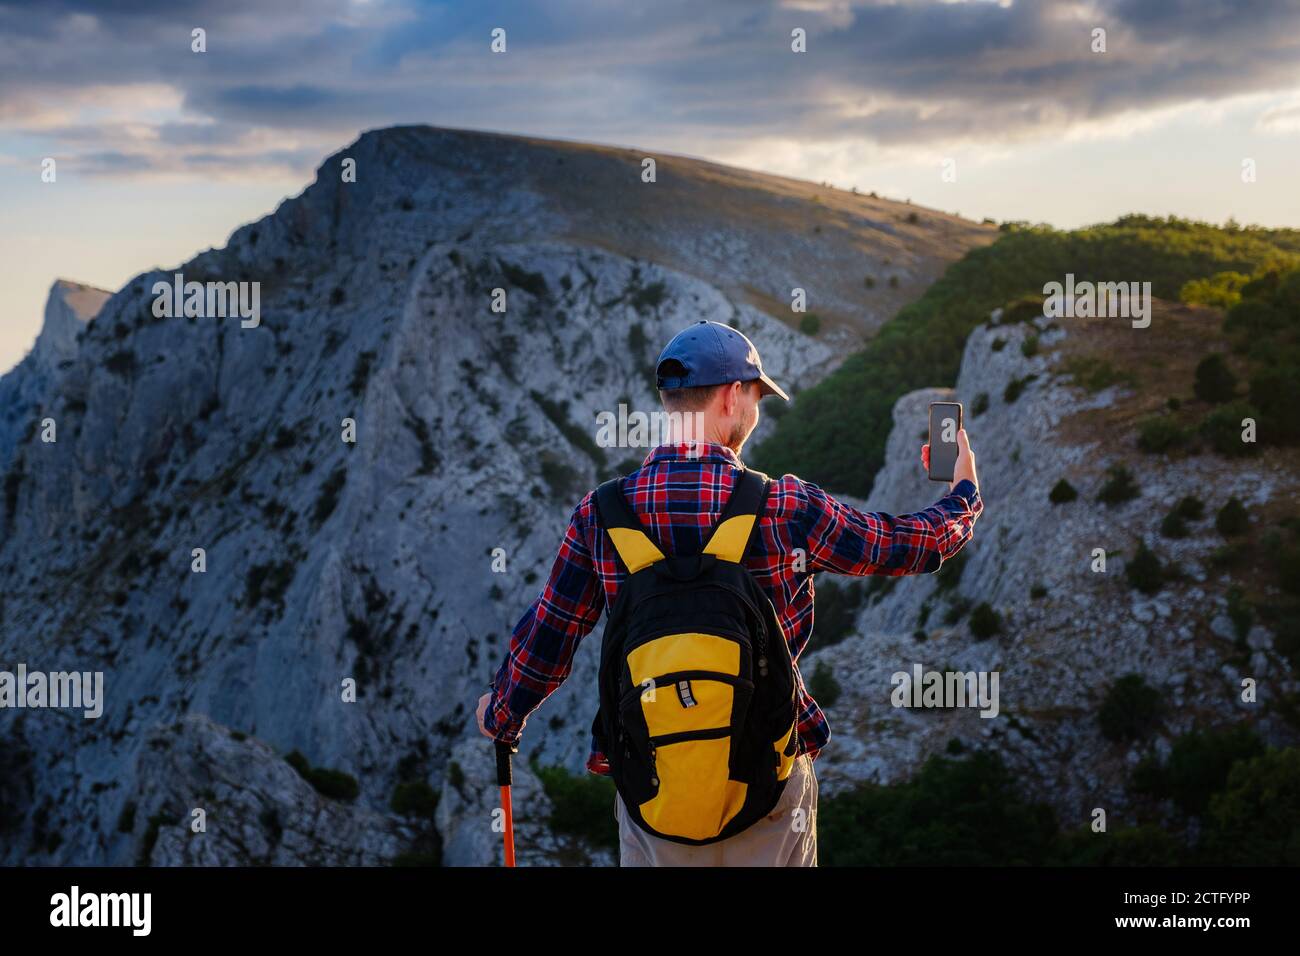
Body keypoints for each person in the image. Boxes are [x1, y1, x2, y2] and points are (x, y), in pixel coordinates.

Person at [477, 319, 983, 865]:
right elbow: (906, 545)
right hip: (766, 785)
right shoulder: (786, 506)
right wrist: (963, 492)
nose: (757, 411)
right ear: (730, 395)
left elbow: (552, 635)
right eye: (756, 395)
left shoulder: (601, 514)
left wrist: (502, 711)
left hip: (654, 789)